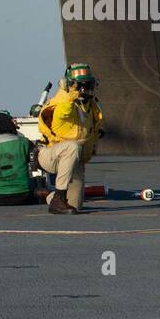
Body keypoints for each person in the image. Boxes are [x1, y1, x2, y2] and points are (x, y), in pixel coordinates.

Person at [36, 62, 103, 215]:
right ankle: (58, 199)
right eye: (80, 86)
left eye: (87, 85)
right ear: (71, 86)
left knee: (75, 205)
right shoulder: (60, 104)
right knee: (72, 146)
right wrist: (68, 96)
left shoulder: (91, 106)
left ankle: (51, 196)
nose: (84, 90)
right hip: (51, 154)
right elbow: (62, 115)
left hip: (75, 160)